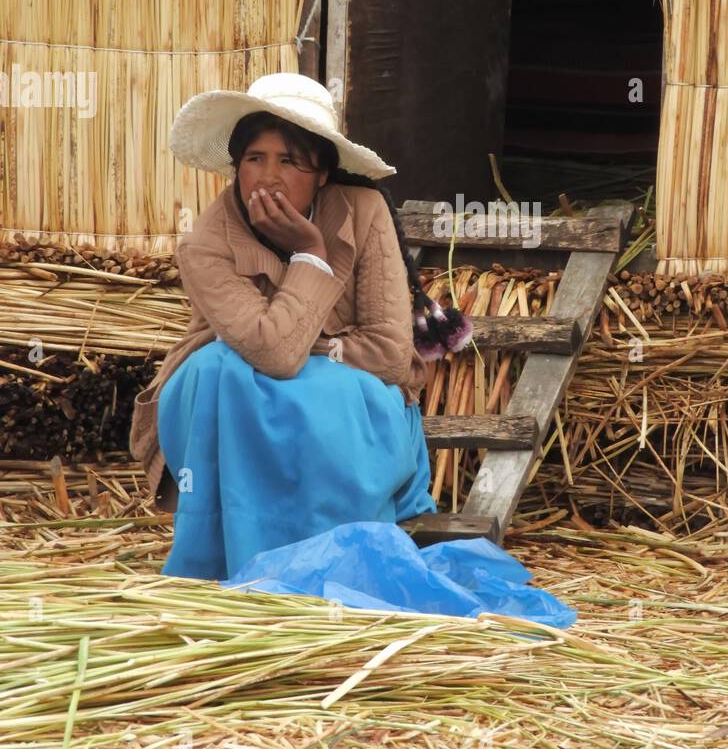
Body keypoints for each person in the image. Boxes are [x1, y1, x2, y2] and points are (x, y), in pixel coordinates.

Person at [129, 73, 473, 581]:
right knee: (218, 366)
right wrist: (312, 266)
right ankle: (233, 561)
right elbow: (273, 356)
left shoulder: (365, 211)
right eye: (254, 159)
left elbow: (387, 354)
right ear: (235, 167)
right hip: (224, 409)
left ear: (323, 175)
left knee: (259, 372)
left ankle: (323, 566)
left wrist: (309, 265)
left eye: (289, 161)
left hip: (351, 411)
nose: (267, 177)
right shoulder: (206, 243)